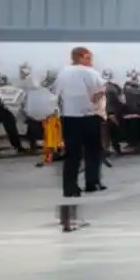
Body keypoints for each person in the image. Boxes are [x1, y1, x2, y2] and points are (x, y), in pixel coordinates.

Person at [52, 47, 107, 198]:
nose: (91, 61)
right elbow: (99, 91)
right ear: (81, 57)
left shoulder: (63, 73)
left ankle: (70, 188)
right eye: (88, 58)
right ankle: (92, 183)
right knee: (93, 151)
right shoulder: (90, 72)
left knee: (71, 154)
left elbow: (56, 93)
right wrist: (95, 103)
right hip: (89, 116)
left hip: (69, 117)